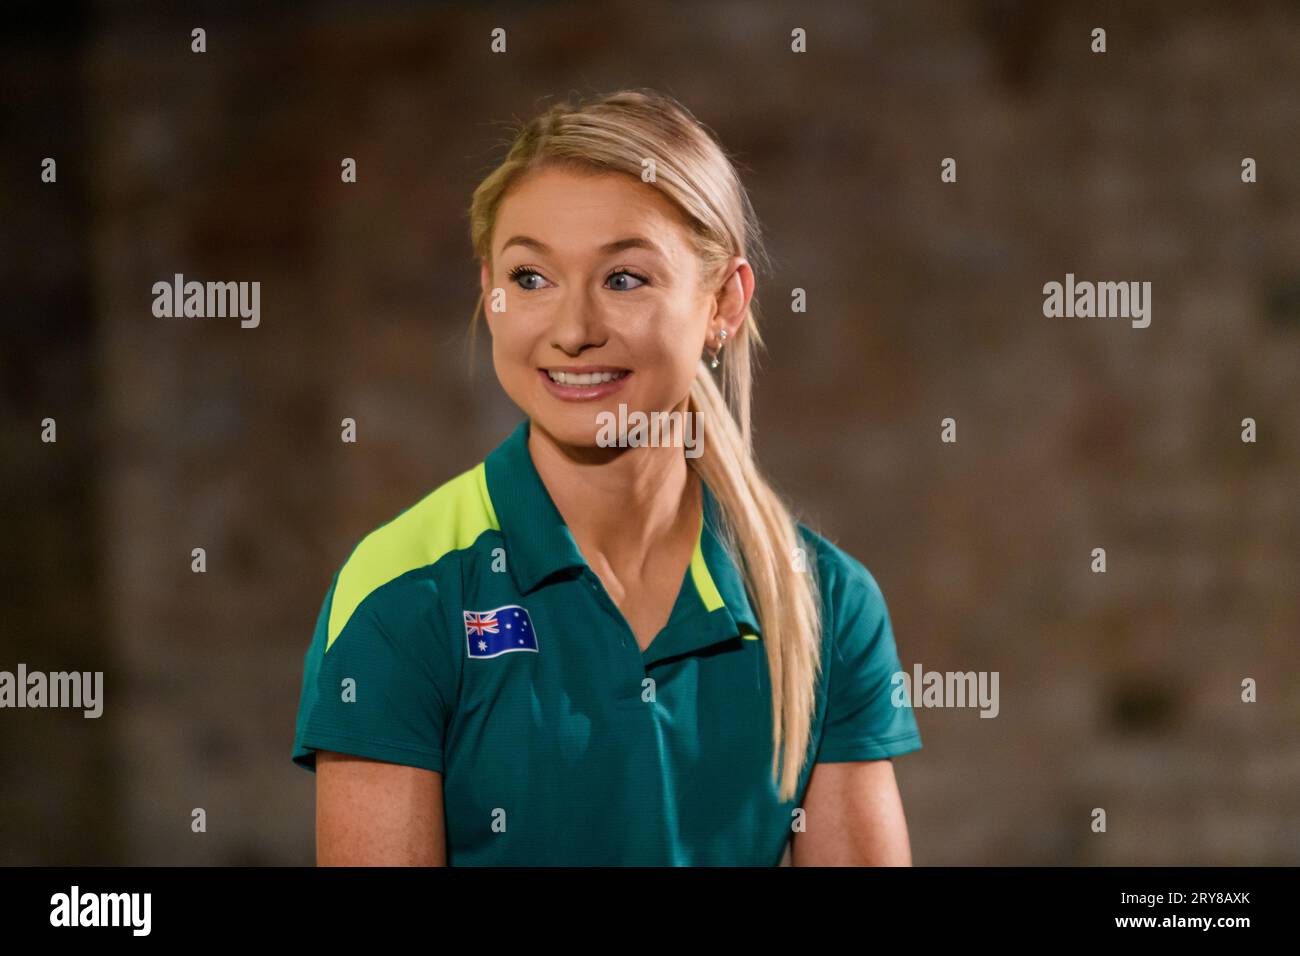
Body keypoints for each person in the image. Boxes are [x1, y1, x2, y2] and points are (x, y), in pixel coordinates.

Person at [292, 88, 922, 865]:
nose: (574, 330)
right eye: (531, 278)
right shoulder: (403, 591)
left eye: (624, 278)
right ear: (489, 294)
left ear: (723, 301)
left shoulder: (826, 602)